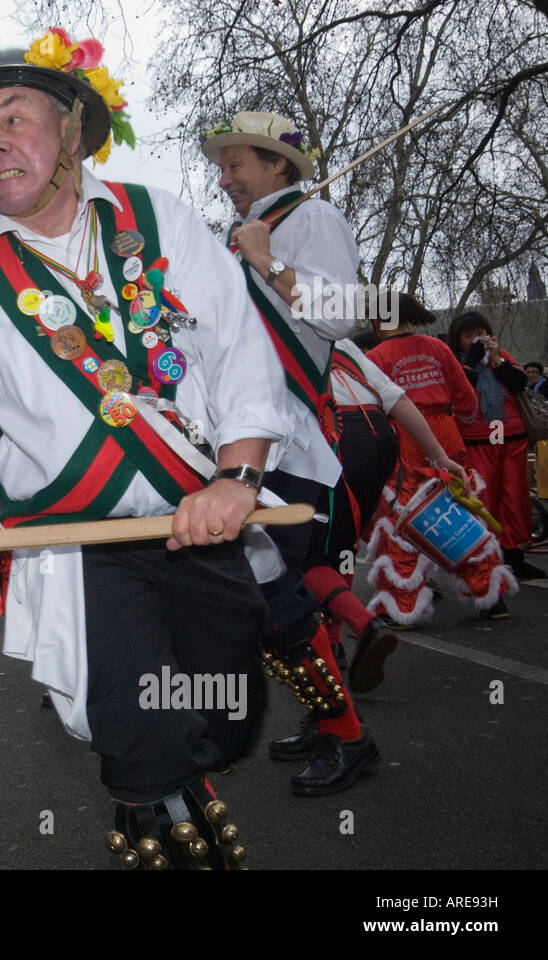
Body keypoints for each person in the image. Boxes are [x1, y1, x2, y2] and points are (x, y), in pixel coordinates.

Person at [0, 25, 294, 868]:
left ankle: (183, 773)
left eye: (14, 119)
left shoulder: (163, 222)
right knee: (142, 744)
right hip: (85, 550)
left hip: (206, 523)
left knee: (223, 717)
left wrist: (237, 479)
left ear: (72, 128)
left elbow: (241, 357)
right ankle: (157, 806)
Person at [202, 111, 378, 794]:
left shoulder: (312, 219)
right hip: (246, 439)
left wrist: (266, 261)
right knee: (285, 586)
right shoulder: (242, 235)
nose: (225, 180)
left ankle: (348, 733)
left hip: (288, 439)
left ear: (279, 163)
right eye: (221, 168)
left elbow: (341, 314)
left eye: (236, 164)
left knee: (269, 594)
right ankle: (329, 714)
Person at [307, 340, 466, 694]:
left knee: (302, 553)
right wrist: (439, 457)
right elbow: (398, 401)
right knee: (343, 543)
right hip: (378, 435)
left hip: (333, 435)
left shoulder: (266, 324)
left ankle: (351, 631)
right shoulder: (343, 343)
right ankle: (335, 637)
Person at [365, 295, 515, 622]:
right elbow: (465, 399)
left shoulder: (374, 357)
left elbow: (371, 409)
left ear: (377, 321)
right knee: (457, 514)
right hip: (445, 434)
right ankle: (491, 597)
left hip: (405, 437)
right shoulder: (438, 348)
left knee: (402, 517)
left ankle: (402, 606)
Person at [448, 312, 544, 582]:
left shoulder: (502, 358)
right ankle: (486, 557)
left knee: (515, 499)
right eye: (469, 336)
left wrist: (497, 359)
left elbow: (519, 383)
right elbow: (460, 391)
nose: (476, 339)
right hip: (477, 440)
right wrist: (471, 361)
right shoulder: (456, 363)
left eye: (481, 333)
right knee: (484, 499)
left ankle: (514, 557)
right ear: (459, 341)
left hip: (511, 437)